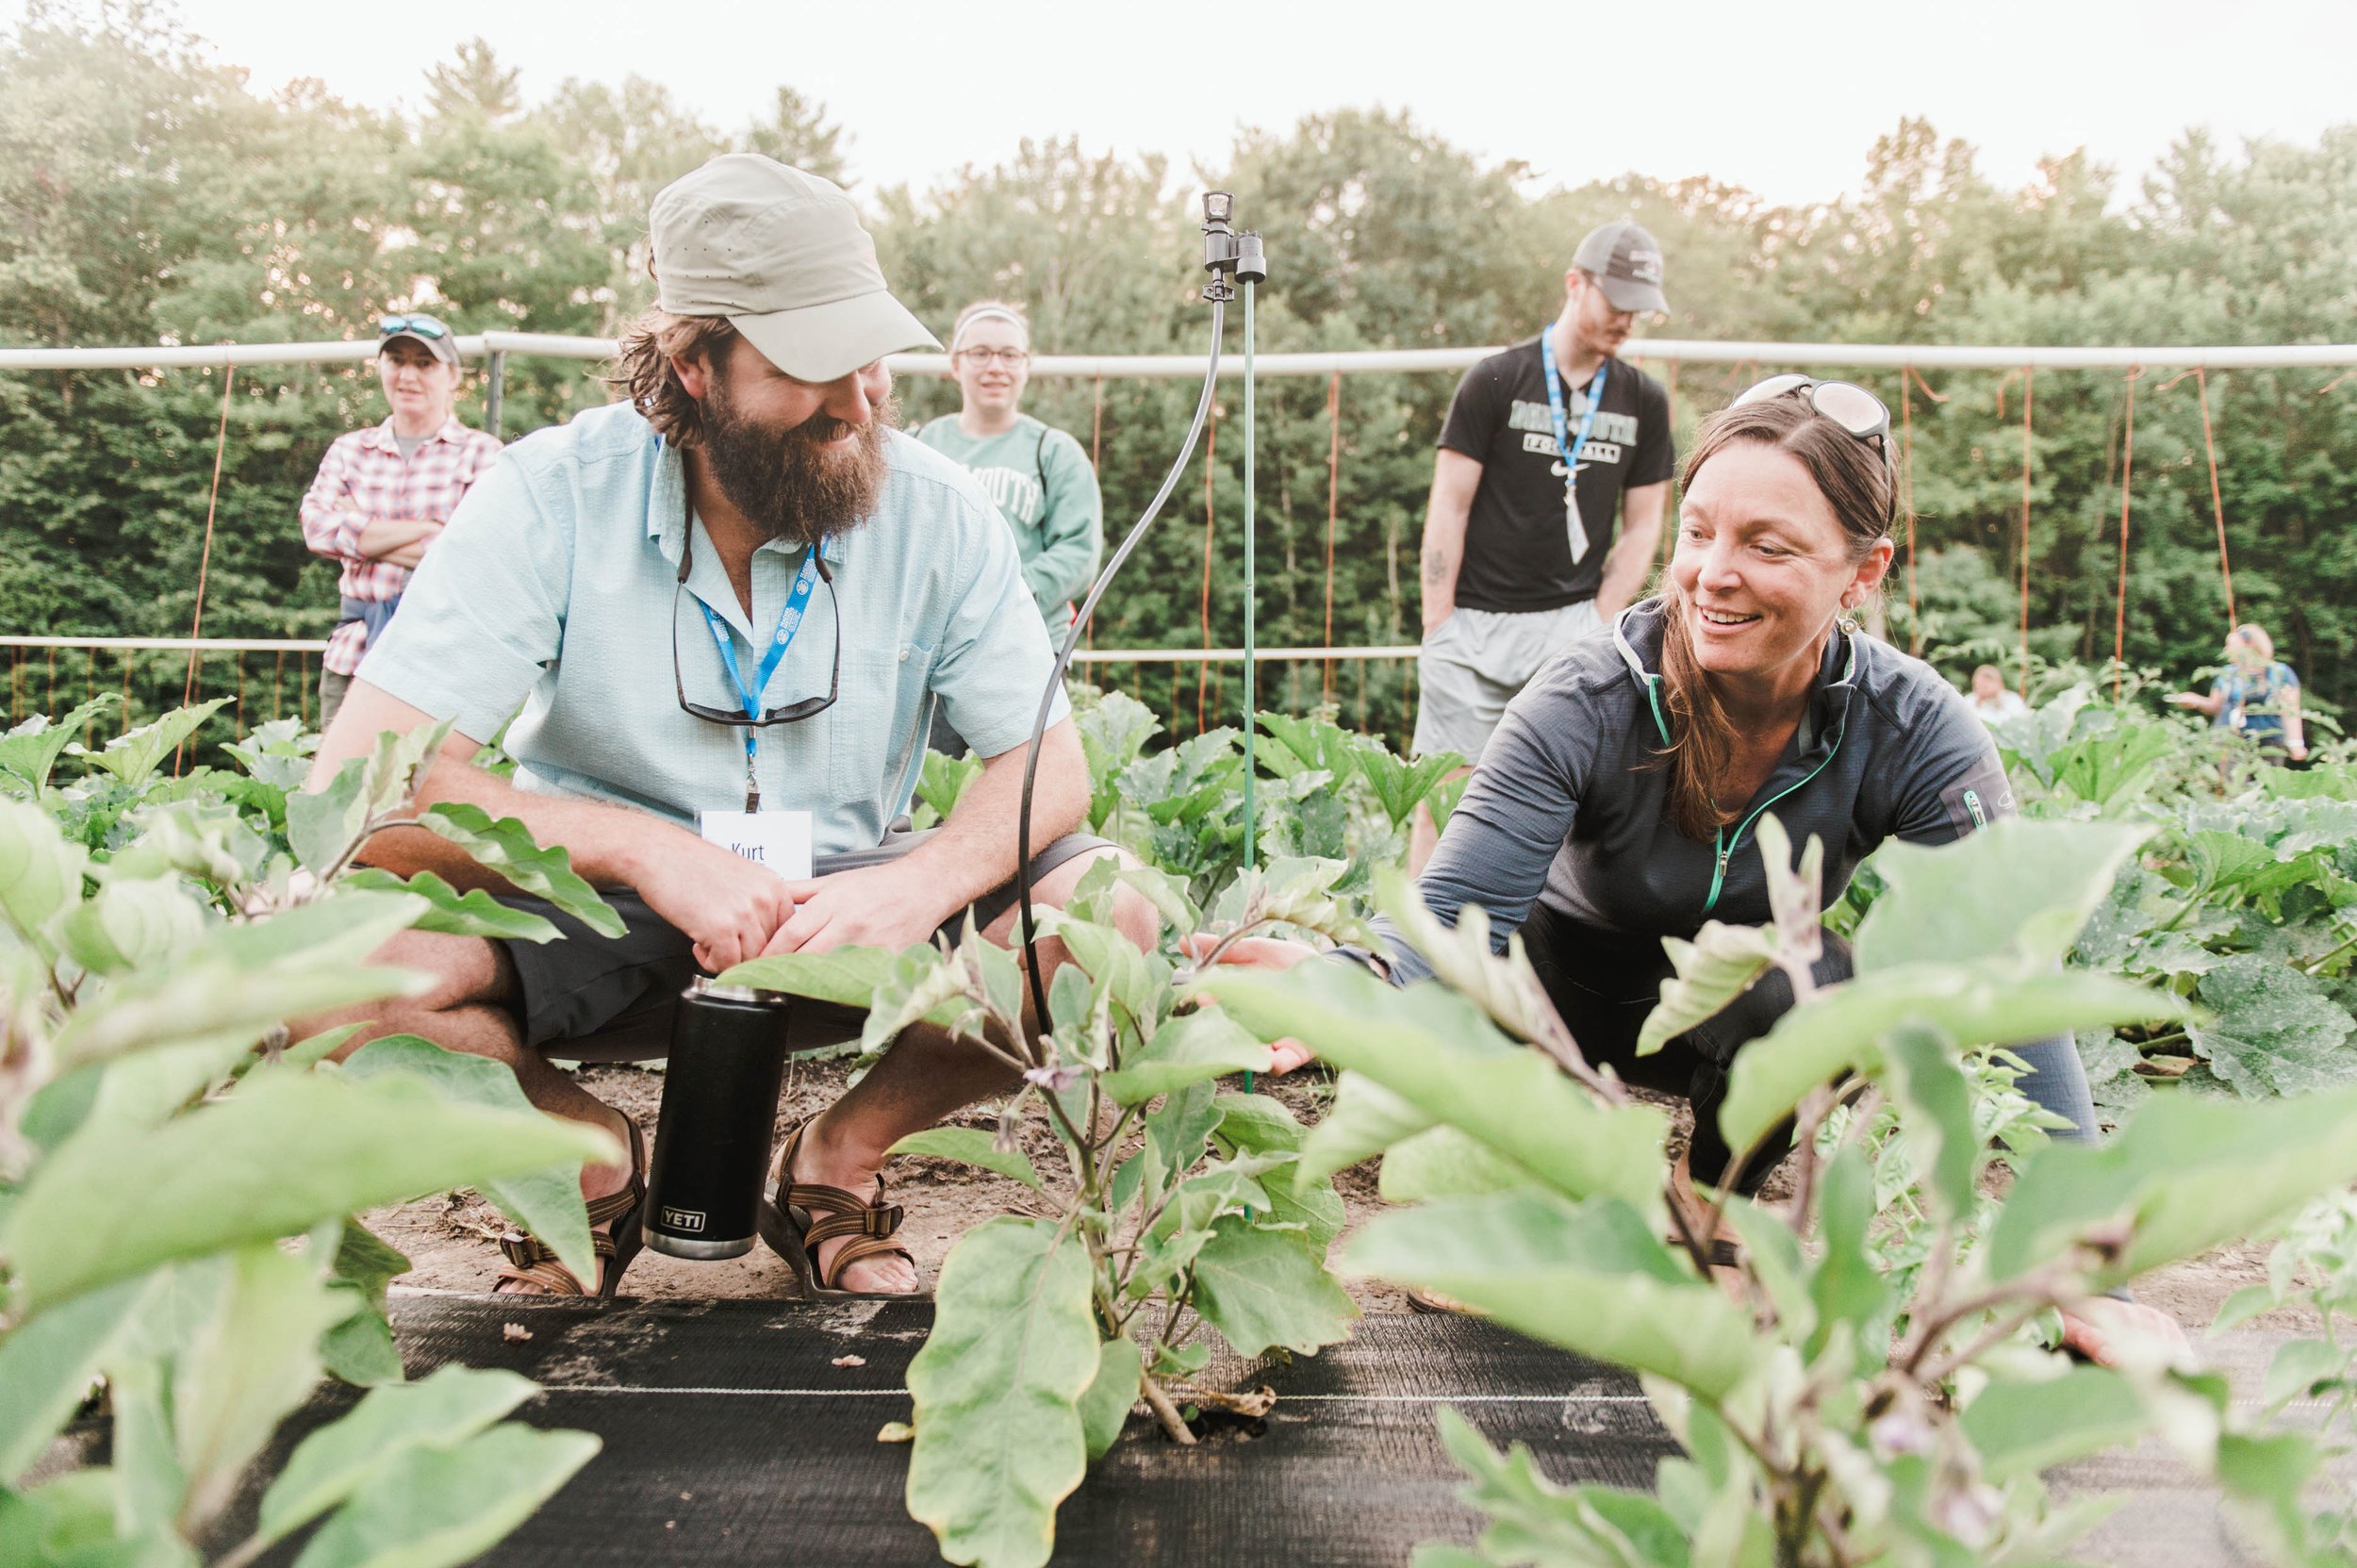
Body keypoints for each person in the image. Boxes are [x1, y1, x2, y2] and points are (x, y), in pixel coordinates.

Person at [296, 155, 1153, 1300]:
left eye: (871, 357)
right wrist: (644, 847)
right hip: (596, 908)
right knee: (325, 970)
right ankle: (587, 1174)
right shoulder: (549, 495)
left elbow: (1049, 767)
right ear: (693, 365)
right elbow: (362, 785)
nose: (857, 401)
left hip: (844, 900)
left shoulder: (941, 513)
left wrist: (918, 885)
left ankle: (835, 1164)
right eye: (809, 368)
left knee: (1112, 913)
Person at [1208, 376, 2183, 1364]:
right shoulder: (1588, 694)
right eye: (1699, 531)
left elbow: (2018, 982)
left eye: (1766, 545)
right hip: (1553, 1009)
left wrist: (2094, 1278)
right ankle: (1511, 1196)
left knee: (1823, 981)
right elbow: (1453, 921)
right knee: (1488, 1019)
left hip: (1729, 1018)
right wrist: (1340, 990)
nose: (1713, 573)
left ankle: (1708, 1203)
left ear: (1863, 570)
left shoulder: (1915, 726)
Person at [1409, 221, 1678, 874]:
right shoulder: (1496, 380)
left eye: (1639, 305)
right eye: (1615, 299)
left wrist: (1602, 616)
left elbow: (1645, 523)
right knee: (1444, 805)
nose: (1627, 318)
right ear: (1574, 284)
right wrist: (1437, 619)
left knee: (1556, 805)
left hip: (1571, 630)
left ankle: (1527, 960)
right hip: (1471, 624)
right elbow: (1449, 502)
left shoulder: (1643, 399)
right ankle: (1413, 960)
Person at [915, 300, 1104, 755]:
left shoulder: (1053, 451)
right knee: (935, 792)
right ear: (955, 365)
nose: (994, 366)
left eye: (1009, 354)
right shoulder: (923, 445)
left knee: (1024, 787)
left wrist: (1000, 594)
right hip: (935, 653)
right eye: (979, 353)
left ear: (1026, 366)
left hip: (1027, 649)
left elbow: (1079, 555)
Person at [298, 313, 502, 728]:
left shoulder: (483, 454)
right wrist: (432, 530)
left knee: (426, 788)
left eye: (424, 364)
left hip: (441, 658)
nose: (408, 375)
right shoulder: (350, 450)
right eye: (397, 361)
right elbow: (317, 529)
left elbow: (478, 553)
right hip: (353, 657)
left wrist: (358, 526)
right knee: (342, 787)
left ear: (452, 376)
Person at [2167, 623, 2308, 762]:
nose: (2226, 649)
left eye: (2230, 644)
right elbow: (2215, 706)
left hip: (2270, 743)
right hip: (2231, 741)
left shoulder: (2279, 673)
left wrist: (2296, 744)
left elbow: (2291, 711)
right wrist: (2196, 700)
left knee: (2269, 783)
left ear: (2250, 644)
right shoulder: (2226, 674)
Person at [1966, 663, 2030, 725]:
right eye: (1978, 685)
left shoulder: (2012, 700)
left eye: (1985, 686)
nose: (1981, 688)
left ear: (1998, 683)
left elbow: (2020, 722)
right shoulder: (1969, 701)